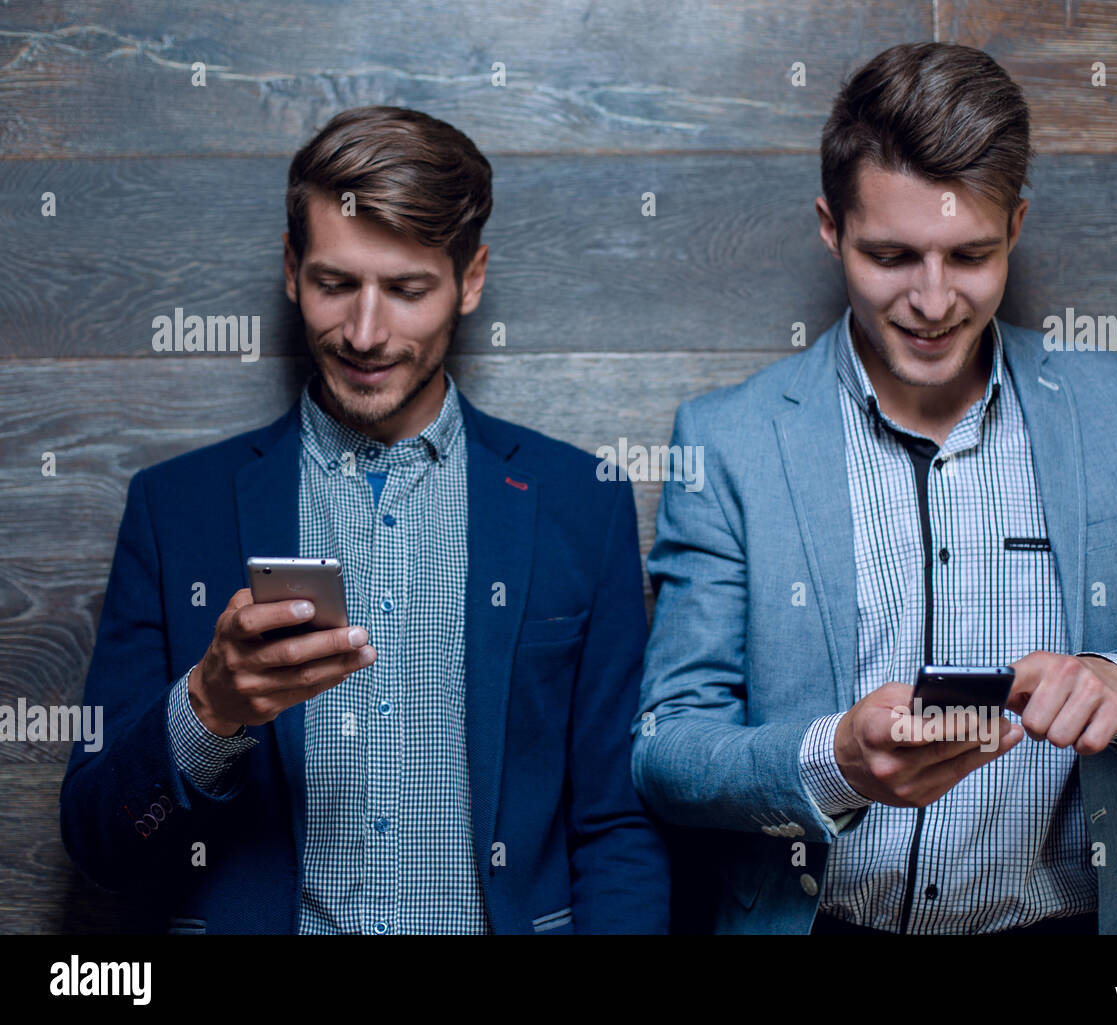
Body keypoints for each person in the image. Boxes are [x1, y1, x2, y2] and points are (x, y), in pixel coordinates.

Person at [630, 42, 1117, 935]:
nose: (932, 301)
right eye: (891, 255)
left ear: (1018, 228)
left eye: (969, 255)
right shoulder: (729, 439)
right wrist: (833, 759)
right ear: (830, 228)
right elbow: (666, 754)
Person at [60, 106, 669, 935]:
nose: (366, 333)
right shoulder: (177, 509)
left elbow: (617, 825)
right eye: (336, 283)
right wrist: (208, 705)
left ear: (471, 280)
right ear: (290, 270)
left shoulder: (579, 500)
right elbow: (99, 845)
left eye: (409, 289)